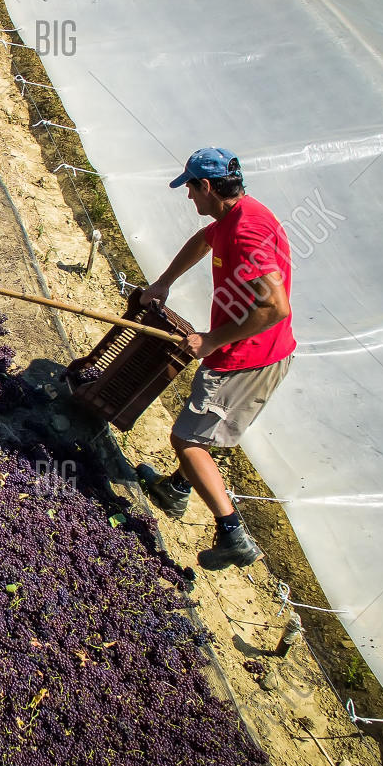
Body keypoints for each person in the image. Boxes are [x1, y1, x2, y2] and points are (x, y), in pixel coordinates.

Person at [136, 147, 295, 571]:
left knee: (187, 440)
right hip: (247, 351)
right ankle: (176, 489)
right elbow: (202, 242)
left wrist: (211, 340)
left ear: (206, 186)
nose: (189, 198)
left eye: (190, 188)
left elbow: (275, 307)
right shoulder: (235, 216)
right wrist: (164, 282)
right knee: (203, 431)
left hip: (246, 358)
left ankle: (232, 534)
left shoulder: (247, 233)